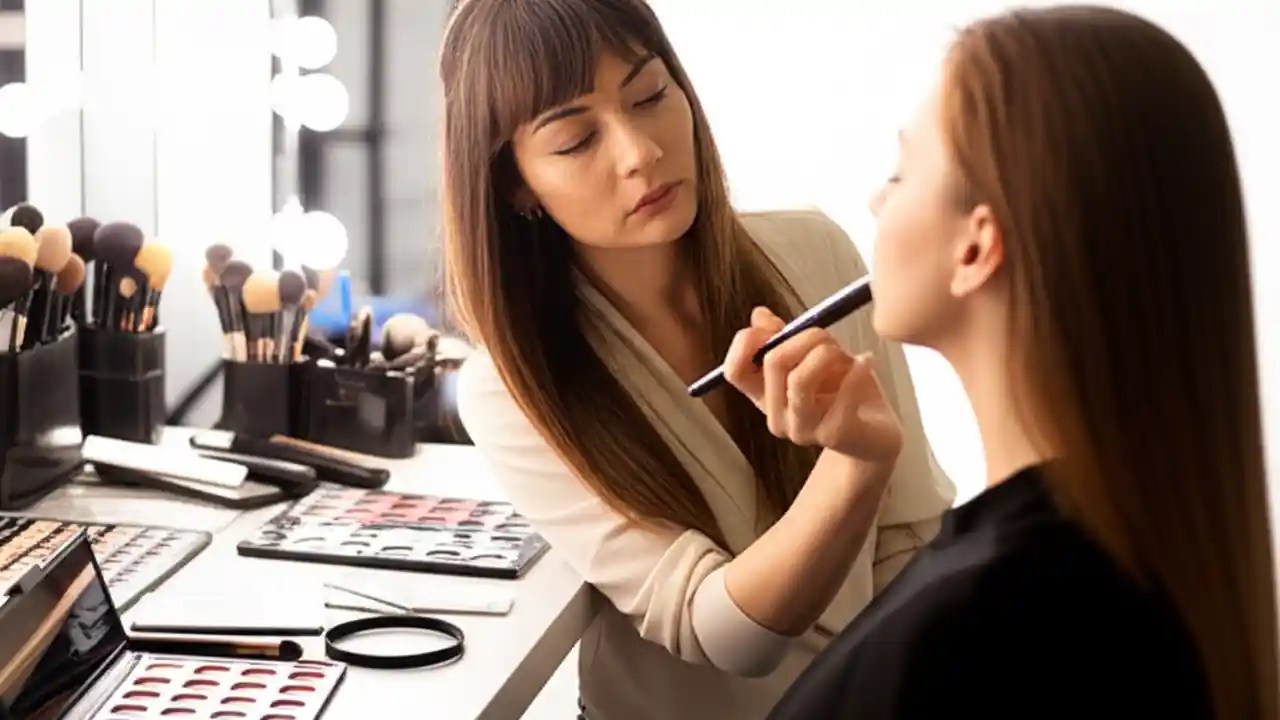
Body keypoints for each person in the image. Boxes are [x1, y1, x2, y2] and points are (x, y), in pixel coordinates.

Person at [724, 6, 1276, 719]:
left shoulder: (976, 629)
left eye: (901, 172)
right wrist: (860, 462)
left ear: (976, 246)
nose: (876, 199)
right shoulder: (1161, 573)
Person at [441, 1, 955, 718]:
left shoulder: (814, 252)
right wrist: (855, 462)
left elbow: (909, 538)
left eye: (650, 95)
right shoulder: (511, 389)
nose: (639, 152)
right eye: (576, 140)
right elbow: (726, 635)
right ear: (516, 184)